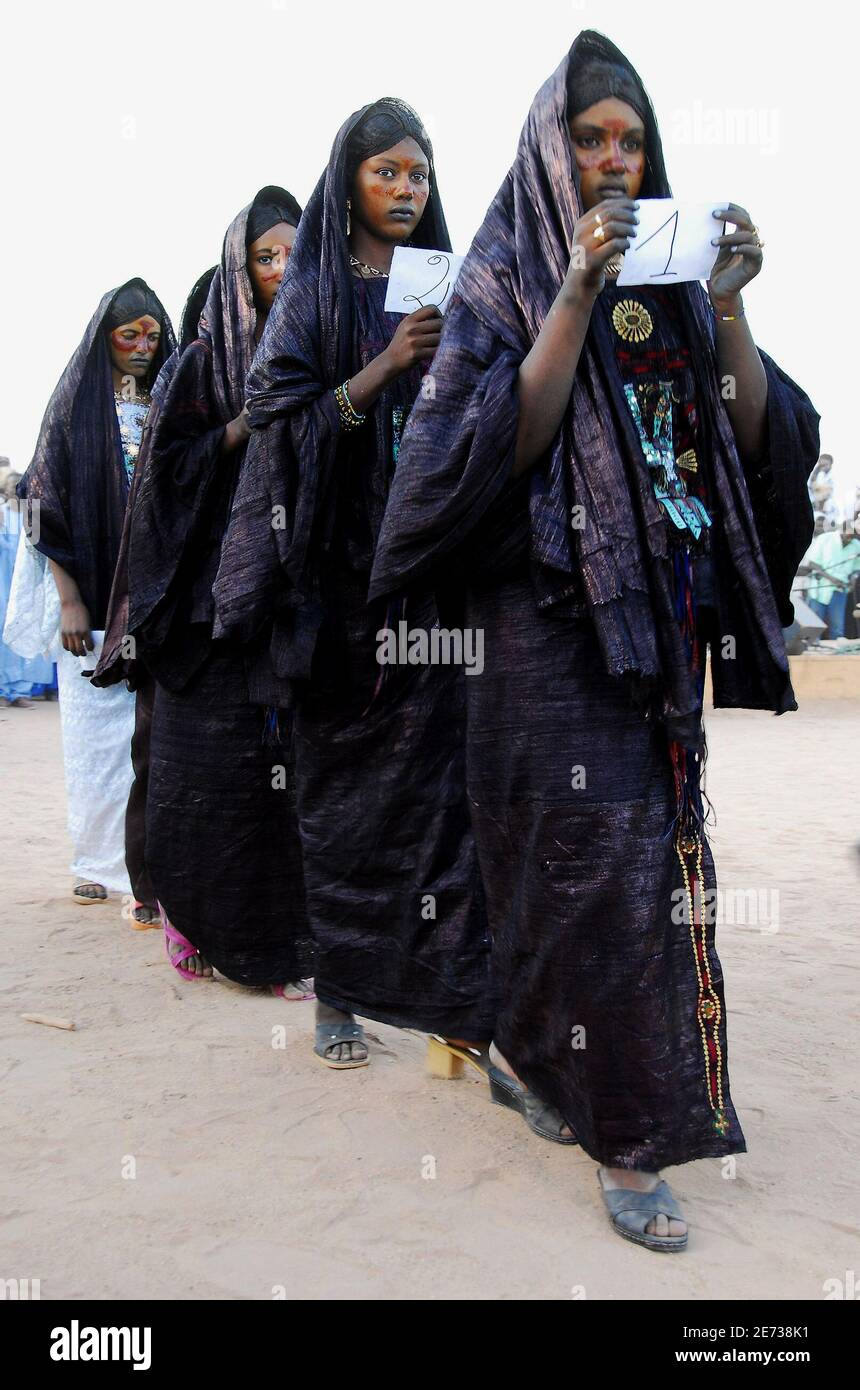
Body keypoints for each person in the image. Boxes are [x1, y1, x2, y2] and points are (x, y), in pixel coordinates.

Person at [370, 31, 820, 1249]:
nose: (613, 159)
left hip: (653, 632)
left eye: (630, 140)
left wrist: (724, 307)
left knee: (620, 881)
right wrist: (571, 288)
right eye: (590, 138)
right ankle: (627, 1136)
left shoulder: (671, 277)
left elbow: (755, 433)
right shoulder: (499, 275)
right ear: (547, 151)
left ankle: (560, 1069)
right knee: (582, 880)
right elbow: (466, 461)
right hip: (539, 641)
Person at [213, 102, 497, 1071]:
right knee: (339, 798)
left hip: (432, 579)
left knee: (442, 794)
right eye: (387, 173)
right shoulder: (314, 292)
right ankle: (340, 989)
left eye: (418, 174)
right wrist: (379, 370)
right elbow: (273, 417)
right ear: (350, 181)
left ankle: (453, 998)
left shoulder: (453, 281)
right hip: (333, 591)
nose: (407, 190)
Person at [116, 190, 314, 997]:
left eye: (293, 256)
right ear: (241, 266)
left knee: (269, 779)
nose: (280, 271)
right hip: (201, 610)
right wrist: (243, 426)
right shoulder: (199, 363)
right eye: (266, 257)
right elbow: (163, 482)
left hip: (278, 600)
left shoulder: (312, 347)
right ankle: (188, 921)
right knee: (195, 777)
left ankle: (263, 942)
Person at [13, 280, 174, 904]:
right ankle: (95, 862)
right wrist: (72, 598)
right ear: (102, 339)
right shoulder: (75, 409)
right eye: (126, 335)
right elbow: (42, 500)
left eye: (152, 336)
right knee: (92, 739)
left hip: (153, 598)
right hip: (91, 597)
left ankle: (146, 867)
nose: (140, 347)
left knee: (148, 740)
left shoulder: (168, 400)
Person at [94, 268, 218, 929]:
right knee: (153, 745)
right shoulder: (189, 384)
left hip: (221, 600)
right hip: (160, 593)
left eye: (151, 334)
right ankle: (147, 886)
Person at [0, 475, 56, 706]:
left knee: (31, 625)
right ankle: (5, 688)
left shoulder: (33, 513)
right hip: (4, 579)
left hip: (28, 581)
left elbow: (38, 550)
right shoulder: (2, 511)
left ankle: (23, 689)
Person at [801, 517, 860, 638]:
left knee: (838, 629)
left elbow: (856, 568)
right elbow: (813, 564)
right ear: (841, 530)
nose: (849, 539)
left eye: (851, 537)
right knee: (814, 628)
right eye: (847, 536)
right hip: (819, 590)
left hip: (839, 591)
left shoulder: (856, 545)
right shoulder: (825, 539)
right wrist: (831, 579)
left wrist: (853, 580)